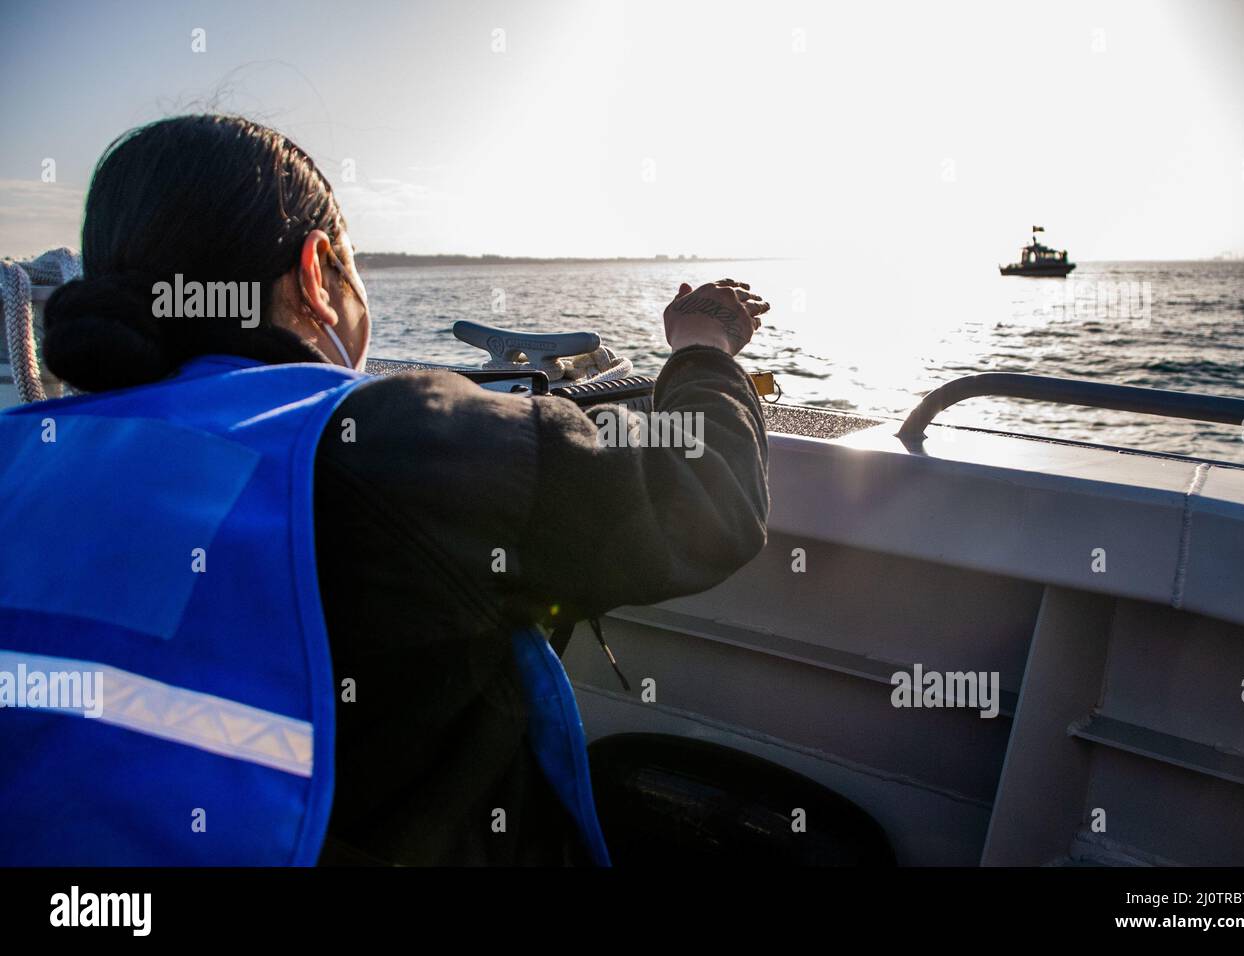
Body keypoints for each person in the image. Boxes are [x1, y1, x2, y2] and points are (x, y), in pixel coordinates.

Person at [0, 114, 770, 865]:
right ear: (317, 271)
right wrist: (703, 347)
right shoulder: (394, 440)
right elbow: (709, 496)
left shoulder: (19, 453)